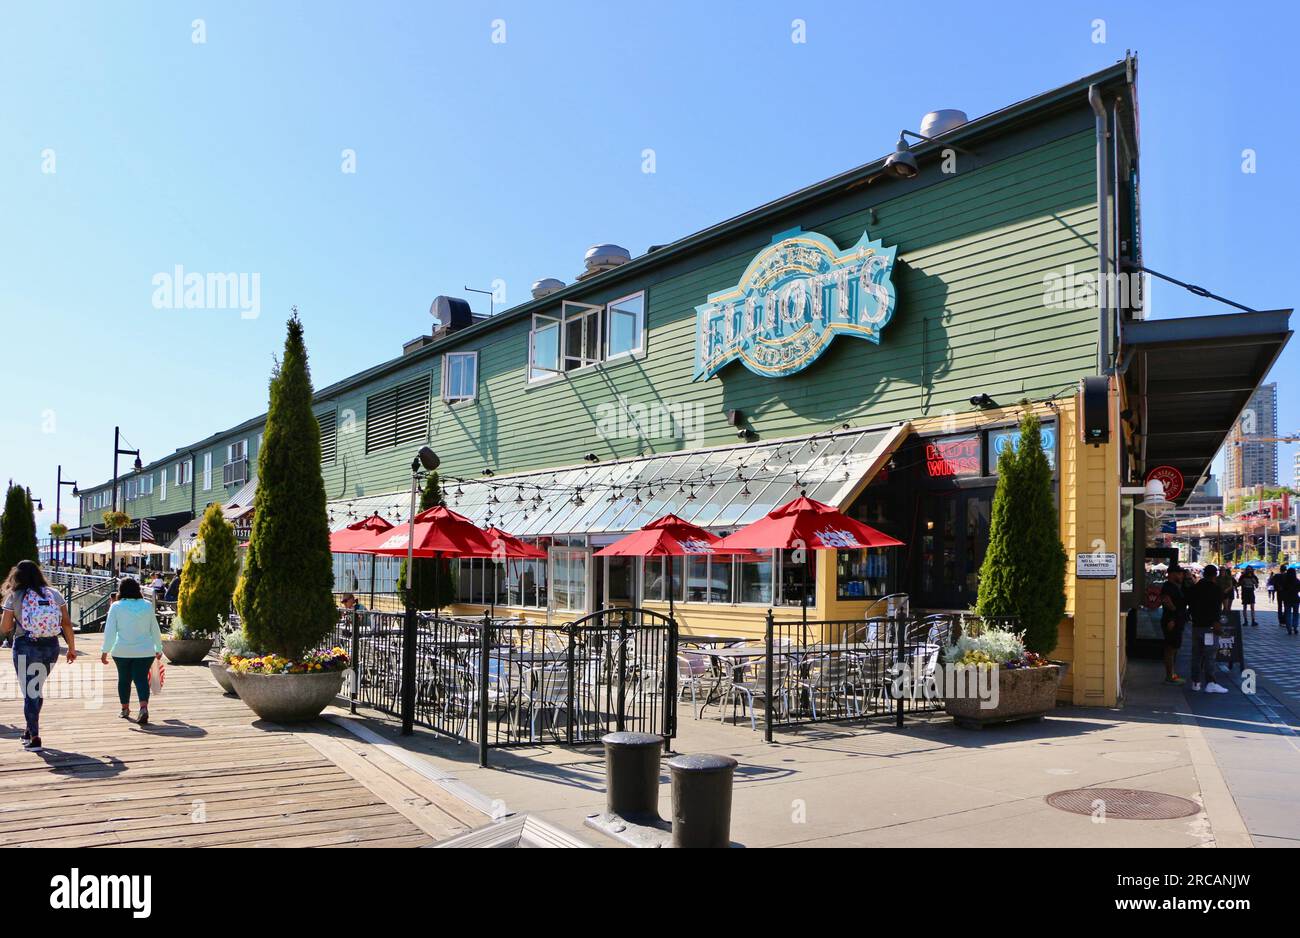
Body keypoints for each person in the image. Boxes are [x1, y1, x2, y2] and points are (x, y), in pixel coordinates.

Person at [0, 560, 78, 751]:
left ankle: (34, 735)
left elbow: (5, 628)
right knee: (35, 689)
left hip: (26, 645)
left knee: (30, 691)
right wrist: (71, 648)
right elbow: (66, 623)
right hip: (51, 647)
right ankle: (28, 729)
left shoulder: (15, 596)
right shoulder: (54, 594)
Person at [100, 577, 164, 725]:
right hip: (145, 651)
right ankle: (143, 707)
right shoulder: (147, 606)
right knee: (141, 678)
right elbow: (154, 628)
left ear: (121, 590)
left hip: (121, 650)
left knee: (124, 679)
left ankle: (125, 709)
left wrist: (105, 651)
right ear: (138, 589)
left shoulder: (116, 606)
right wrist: (158, 648)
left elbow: (110, 631)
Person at [1188, 564, 1229, 693]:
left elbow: (1191, 605)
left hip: (1196, 626)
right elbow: (1217, 607)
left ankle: (1195, 682)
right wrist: (1216, 622)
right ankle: (1210, 682)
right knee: (1210, 655)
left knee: (1196, 655)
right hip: (1210, 627)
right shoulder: (1216, 589)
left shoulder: (1195, 588)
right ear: (1215, 575)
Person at [1159, 566, 1189, 685]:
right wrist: (1172, 618)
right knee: (1170, 648)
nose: (1181, 576)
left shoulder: (1178, 587)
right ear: (1171, 574)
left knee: (1175, 647)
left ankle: (1172, 674)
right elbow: (1167, 602)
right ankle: (1169, 676)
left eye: (1182, 573)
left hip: (1178, 620)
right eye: (1179, 573)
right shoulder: (1168, 587)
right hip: (1172, 621)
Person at [1277, 568, 1300, 636]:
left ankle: (1289, 628)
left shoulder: (1285, 581)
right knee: (1296, 614)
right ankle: (1295, 627)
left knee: (1288, 614)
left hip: (1287, 599)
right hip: (1295, 599)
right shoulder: (1297, 581)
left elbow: (1282, 589)